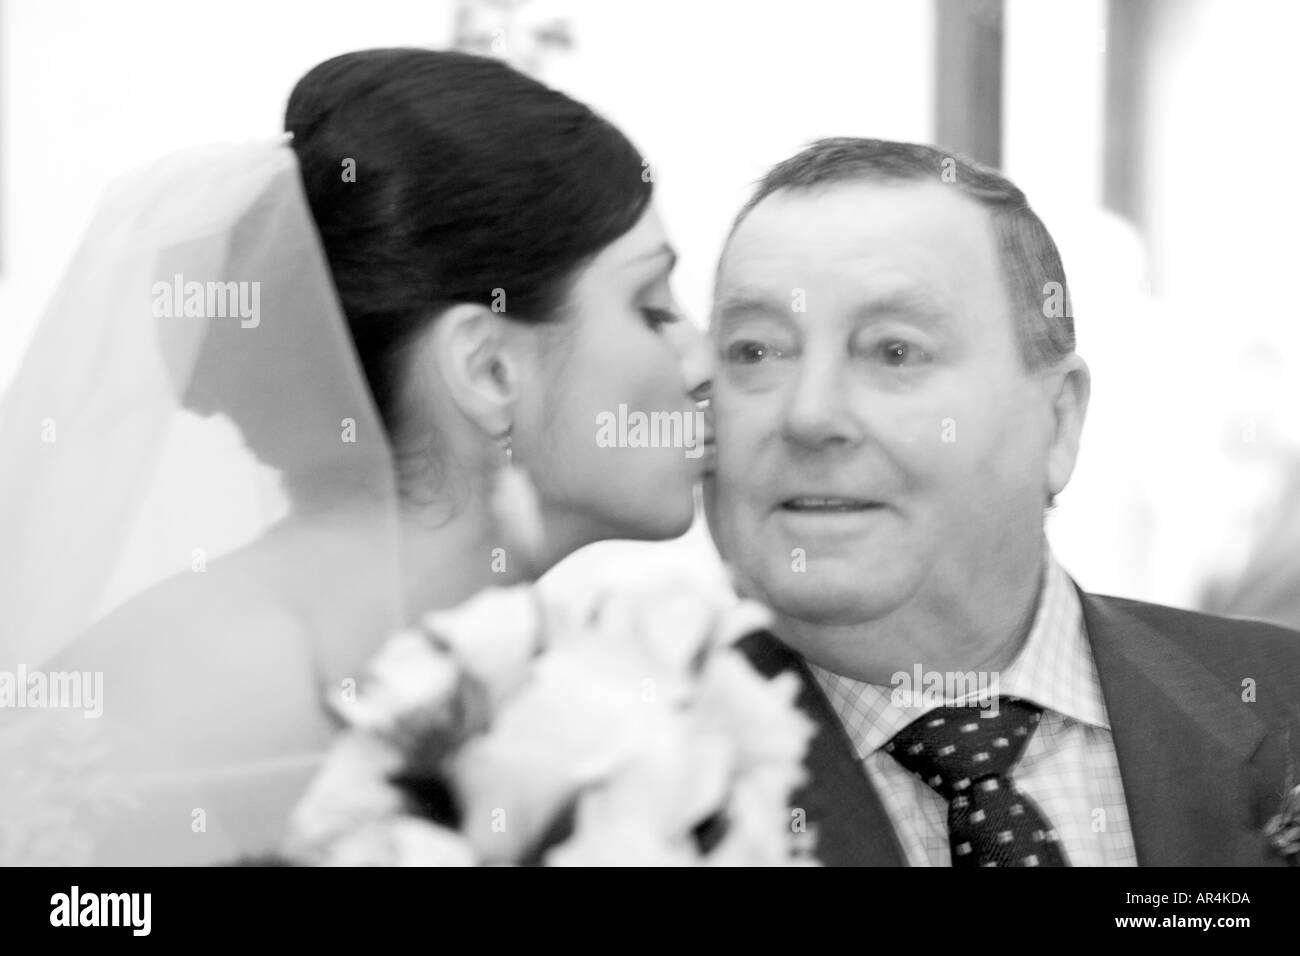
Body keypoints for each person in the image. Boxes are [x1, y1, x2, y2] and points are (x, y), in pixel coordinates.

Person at [0, 48, 711, 864]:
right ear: (489, 369)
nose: (703, 361)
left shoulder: (532, 681)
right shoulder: (220, 681)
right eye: (652, 305)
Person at [706, 137, 1300, 866]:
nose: (808, 414)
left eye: (894, 351)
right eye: (754, 352)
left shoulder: (1281, 702)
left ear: (1056, 422)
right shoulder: (619, 772)